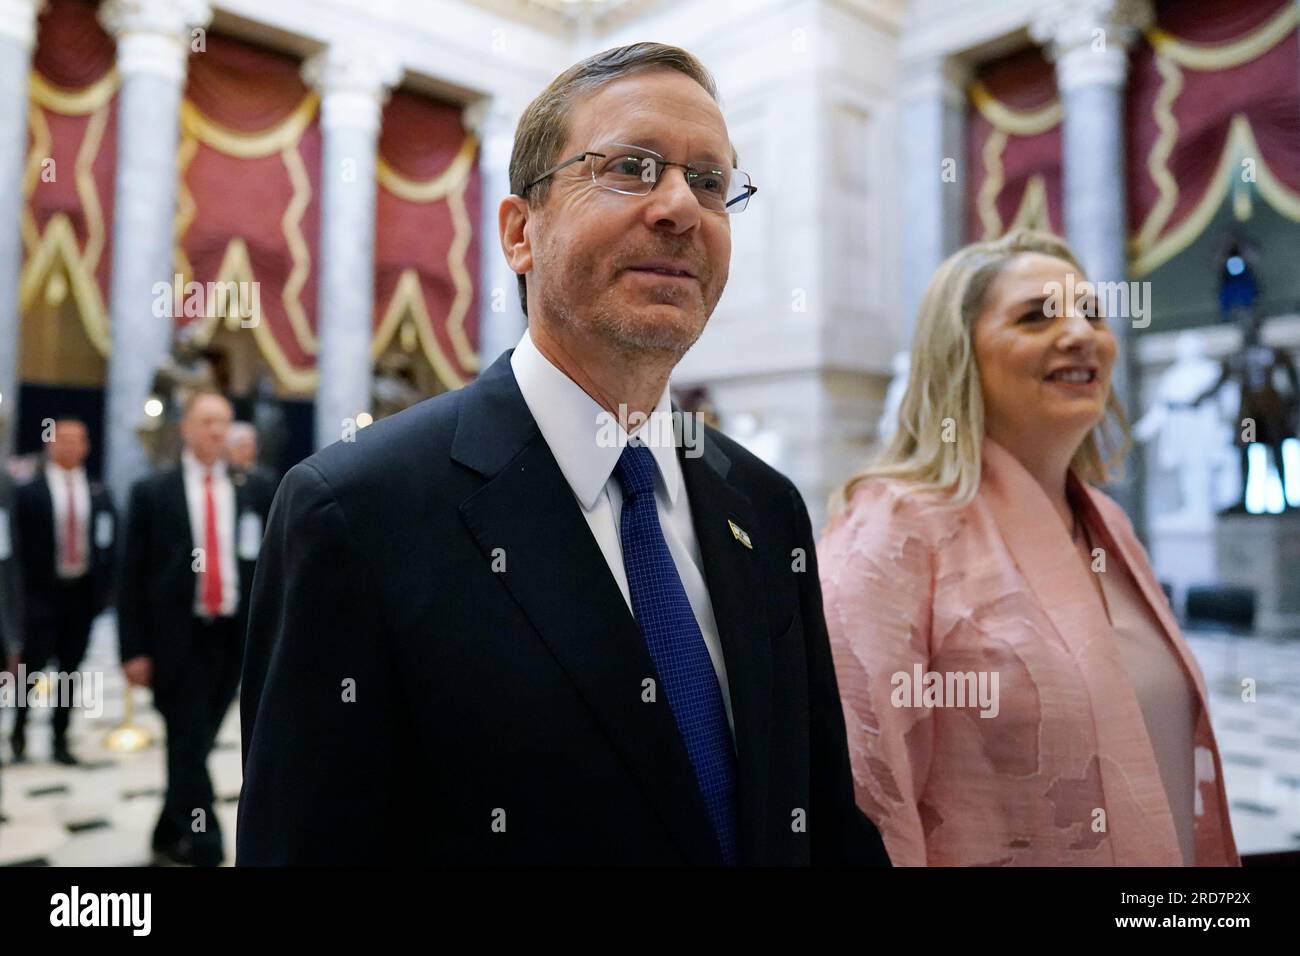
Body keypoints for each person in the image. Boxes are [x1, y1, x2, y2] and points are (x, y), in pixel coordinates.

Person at [237, 42, 889, 866]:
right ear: (519, 232)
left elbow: (822, 815)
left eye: (711, 181)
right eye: (631, 167)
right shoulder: (356, 513)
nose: (681, 207)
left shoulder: (764, 504)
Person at [821, 229, 1240, 866]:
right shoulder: (894, 524)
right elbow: (863, 781)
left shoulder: (1109, 524)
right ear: (959, 353)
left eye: (1091, 313)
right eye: (1037, 316)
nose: (1079, 334)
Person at [118, 391, 274, 866]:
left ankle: (167, 829)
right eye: (206, 422)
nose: (214, 432)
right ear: (185, 428)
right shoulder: (153, 492)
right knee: (187, 738)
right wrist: (133, 649)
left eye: (223, 423)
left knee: (197, 740)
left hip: (230, 637)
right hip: (175, 637)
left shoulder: (254, 488)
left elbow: (265, 562)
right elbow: (131, 576)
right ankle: (208, 845)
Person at [11, 418, 116, 765]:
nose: (71, 446)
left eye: (78, 440)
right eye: (64, 440)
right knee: (32, 667)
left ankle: (59, 736)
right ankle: (19, 731)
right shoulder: (28, 493)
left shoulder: (98, 492)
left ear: (87, 446)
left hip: (80, 595)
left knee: (70, 670)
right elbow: (17, 548)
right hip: (39, 595)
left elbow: (108, 542)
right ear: (50, 443)